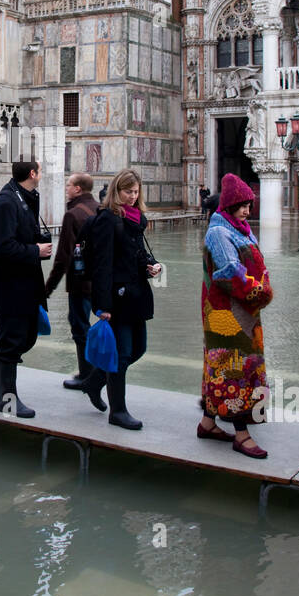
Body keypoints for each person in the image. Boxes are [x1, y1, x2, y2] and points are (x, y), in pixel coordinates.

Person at [198, 173, 271, 457]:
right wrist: (260, 292)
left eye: (249, 206)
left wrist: (260, 286)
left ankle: (207, 422)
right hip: (225, 313)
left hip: (243, 311)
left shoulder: (240, 229)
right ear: (228, 205)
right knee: (234, 368)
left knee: (221, 365)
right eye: (241, 205)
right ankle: (241, 434)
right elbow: (230, 273)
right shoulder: (219, 232)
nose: (246, 211)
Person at [87, 169, 162, 430]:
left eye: (136, 192)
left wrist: (151, 266)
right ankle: (117, 411)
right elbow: (102, 264)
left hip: (137, 293)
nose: (132, 196)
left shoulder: (136, 219)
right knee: (122, 354)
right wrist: (102, 305)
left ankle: (95, 382)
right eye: (127, 191)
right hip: (117, 297)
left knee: (138, 349)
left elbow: (137, 255)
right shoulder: (108, 219)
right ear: (116, 191)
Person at [0, 158, 52, 417]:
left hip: (27, 283)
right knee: (11, 341)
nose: (42, 174)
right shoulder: (6, 201)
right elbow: (2, 247)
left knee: (28, 336)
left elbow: (19, 237)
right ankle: (9, 401)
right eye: (40, 170)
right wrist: (35, 250)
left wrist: (37, 244)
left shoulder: (26, 198)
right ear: (33, 173)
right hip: (9, 286)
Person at [45, 171, 99, 389]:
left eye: (68, 185)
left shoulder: (73, 215)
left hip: (80, 282)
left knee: (79, 326)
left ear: (78, 189)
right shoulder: (102, 209)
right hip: (102, 281)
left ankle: (86, 376)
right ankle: (99, 372)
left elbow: (63, 256)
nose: (66, 188)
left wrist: (47, 289)